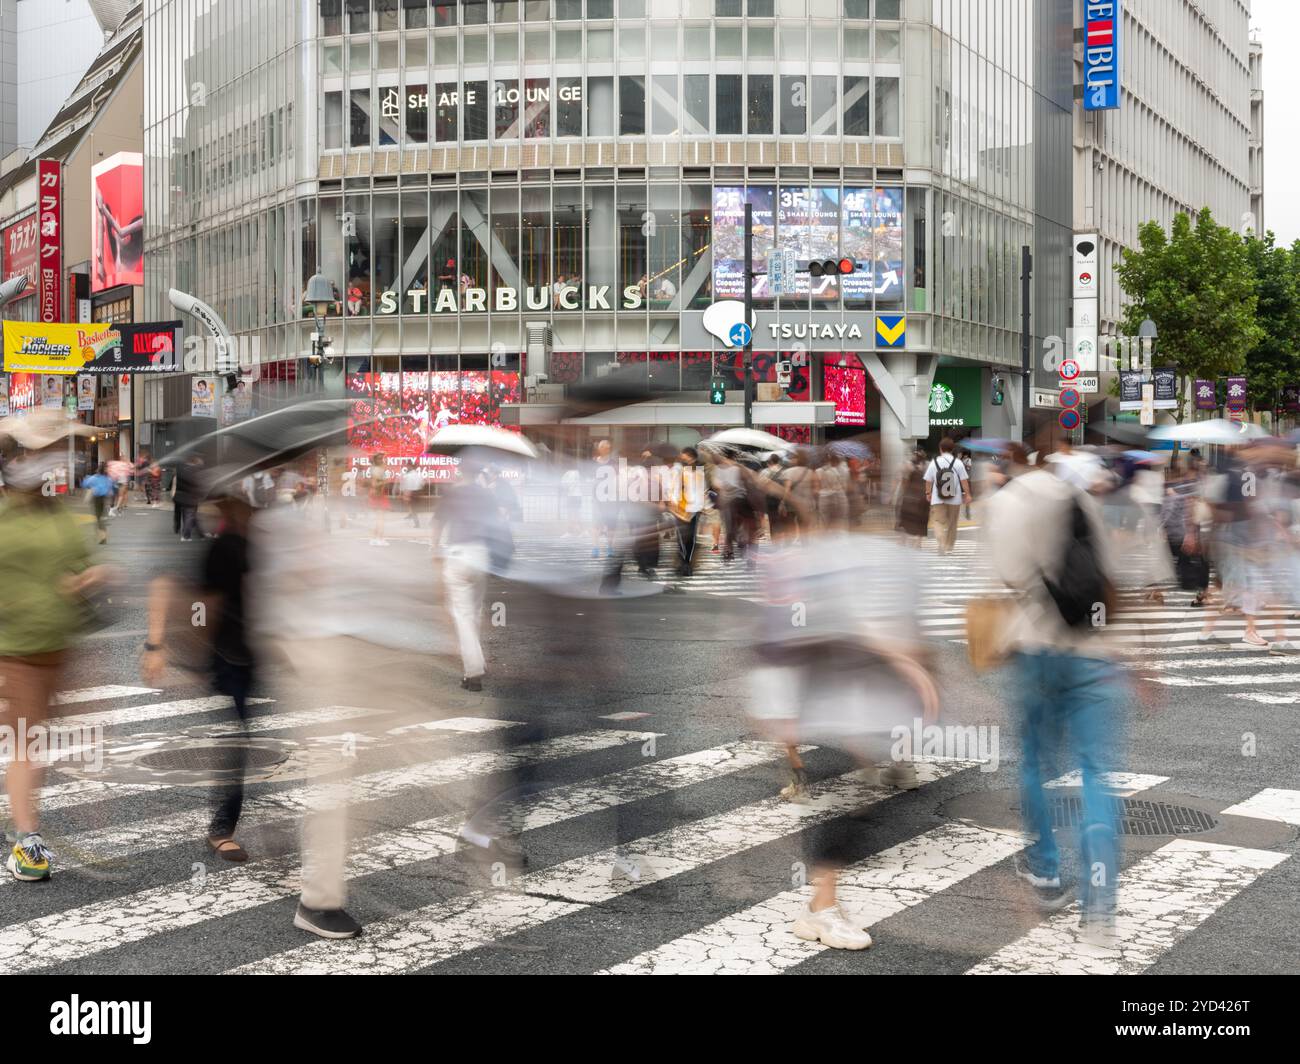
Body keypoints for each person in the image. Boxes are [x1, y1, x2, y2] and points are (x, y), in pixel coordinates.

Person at [985, 435, 1123, 937]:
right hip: (1088, 648)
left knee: (1035, 762)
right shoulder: (1080, 496)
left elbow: (1003, 579)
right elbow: (1107, 575)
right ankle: (1099, 903)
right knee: (1094, 771)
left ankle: (1045, 870)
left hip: (1032, 649)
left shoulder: (1005, 504)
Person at [0, 411, 109, 882]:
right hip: (11, 650)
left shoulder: (60, 515)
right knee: (24, 744)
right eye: (41, 451)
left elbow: (81, 569)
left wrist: (90, 577)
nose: (51, 461)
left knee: (30, 744)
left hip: (53, 649)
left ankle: (25, 831)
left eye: (55, 452)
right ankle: (27, 841)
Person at [142, 481, 256, 863]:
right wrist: (163, 649)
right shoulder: (224, 547)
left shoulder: (249, 542)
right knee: (236, 740)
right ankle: (222, 829)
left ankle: (224, 825)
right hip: (229, 659)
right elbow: (191, 598)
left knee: (241, 739)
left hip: (248, 655)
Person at [661, 447, 710, 588]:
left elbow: (703, 490)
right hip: (680, 509)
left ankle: (686, 563)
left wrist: (704, 506)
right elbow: (671, 488)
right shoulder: (679, 469)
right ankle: (685, 563)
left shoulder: (697, 470)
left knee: (691, 537)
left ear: (691, 457)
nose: (682, 458)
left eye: (685, 456)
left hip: (692, 509)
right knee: (683, 537)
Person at [923, 438, 971, 555]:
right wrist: (968, 495)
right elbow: (964, 481)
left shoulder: (934, 462)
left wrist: (928, 493)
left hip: (937, 498)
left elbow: (928, 480)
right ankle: (949, 546)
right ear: (952, 449)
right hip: (955, 499)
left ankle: (941, 543)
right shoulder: (958, 463)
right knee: (952, 523)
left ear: (940, 449)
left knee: (938, 521)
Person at [174, 453, 205, 541]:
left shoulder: (181, 469)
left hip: (181, 497)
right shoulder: (195, 470)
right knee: (190, 516)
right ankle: (186, 535)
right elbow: (197, 483)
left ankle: (201, 534)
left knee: (190, 516)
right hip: (191, 497)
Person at [83, 463, 114, 544]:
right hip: (105, 499)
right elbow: (110, 489)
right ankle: (102, 536)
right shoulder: (108, 479)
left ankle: (102, 537)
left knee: (98, 518)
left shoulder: (94, 478)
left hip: (97, 499)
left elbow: (85, 484)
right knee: (101, 518)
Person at [368, 452, 390, 546]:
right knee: (380, 519)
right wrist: (384, 482)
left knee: (379, 518)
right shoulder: (376, 469)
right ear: (376, 460)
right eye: (380, 458)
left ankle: (375, 538)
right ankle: (379, 538)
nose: (382, 460)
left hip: (379, 495)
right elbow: (374, 484)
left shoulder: (378, 468)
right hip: (378, 496)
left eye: (382, 458)